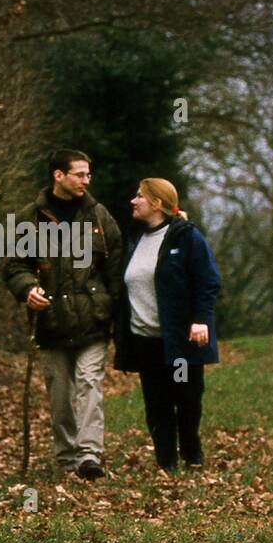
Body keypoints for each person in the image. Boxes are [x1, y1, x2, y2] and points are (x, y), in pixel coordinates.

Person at [3, 149, 124, 480]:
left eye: (89, 175)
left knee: (89, 384)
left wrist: (115, 313)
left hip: (92, 320)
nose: (87, 180)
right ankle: (67, 456)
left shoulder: (99, 217)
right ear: (59, 175)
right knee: (60, 396)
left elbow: (114, 269)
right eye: (80, 174)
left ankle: (89, 455)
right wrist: (27, 289)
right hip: (50, 323)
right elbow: (15, 265)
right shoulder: (30, 218)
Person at [113, 178, 220, 474]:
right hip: (145, 340)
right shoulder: (135, 238)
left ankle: (191, 454)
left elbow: (208, 280)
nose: (133, 201)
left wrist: (200, 319)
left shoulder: (186, 237)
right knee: (156, 404)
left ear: (157, 204)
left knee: (186, 398)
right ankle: (166, 461)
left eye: (140, 197)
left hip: (180, 340)